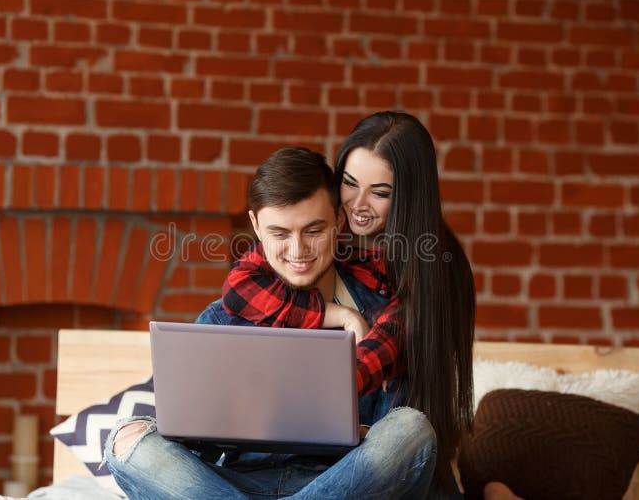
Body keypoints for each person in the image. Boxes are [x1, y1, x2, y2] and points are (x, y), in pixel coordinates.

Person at [103, 147, 441, 499]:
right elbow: (193, 450)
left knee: (412, 428)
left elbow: (388, 432)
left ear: (339, 220)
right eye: (279, 234)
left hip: (342, 481)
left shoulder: (378, 311)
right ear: (256, 226)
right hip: (236, 483)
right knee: (126, 440)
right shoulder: (221, 320)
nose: (298, 250)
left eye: (313, 230)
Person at [222, 112, 476, 495]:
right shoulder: (326, 230)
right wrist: (335, 314)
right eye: (349, 184)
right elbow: (241, 282)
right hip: (310, 466)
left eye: (380, 193)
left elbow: (383, 348)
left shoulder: (429, 264)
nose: (357, 205)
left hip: (394, 442)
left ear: (409, 196)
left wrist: (306, 405)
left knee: (405, 433)